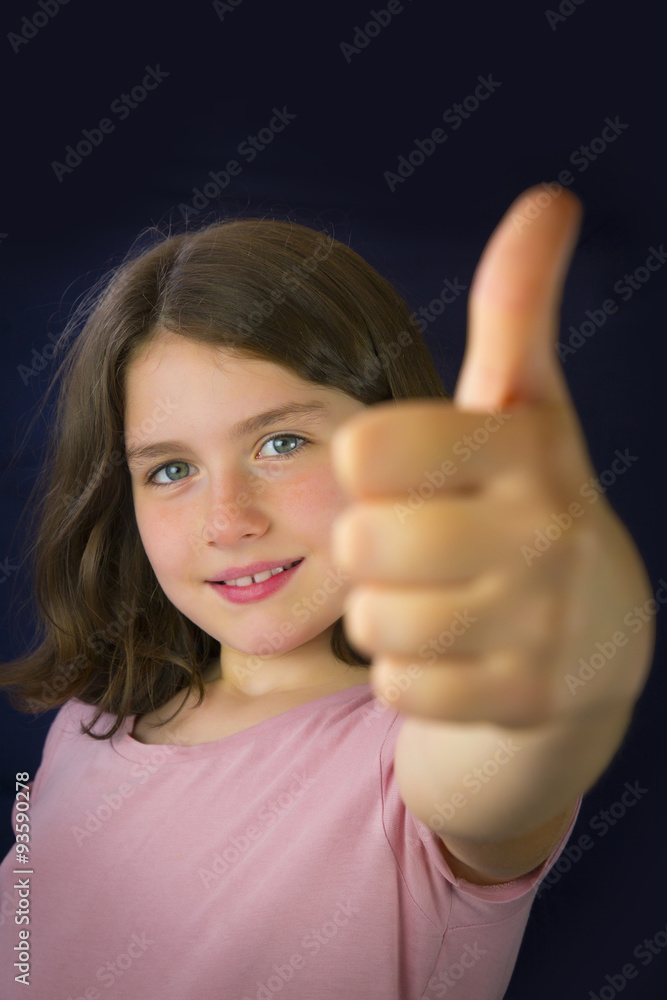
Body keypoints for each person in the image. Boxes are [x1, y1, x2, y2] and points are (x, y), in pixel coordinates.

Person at [0, 185, 655, 999]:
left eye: (281, 443)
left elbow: (496, 766)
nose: (227, 520)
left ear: (397, 440)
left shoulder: (416, 749)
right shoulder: (85, 726)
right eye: (170, 469)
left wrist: (554, 681)